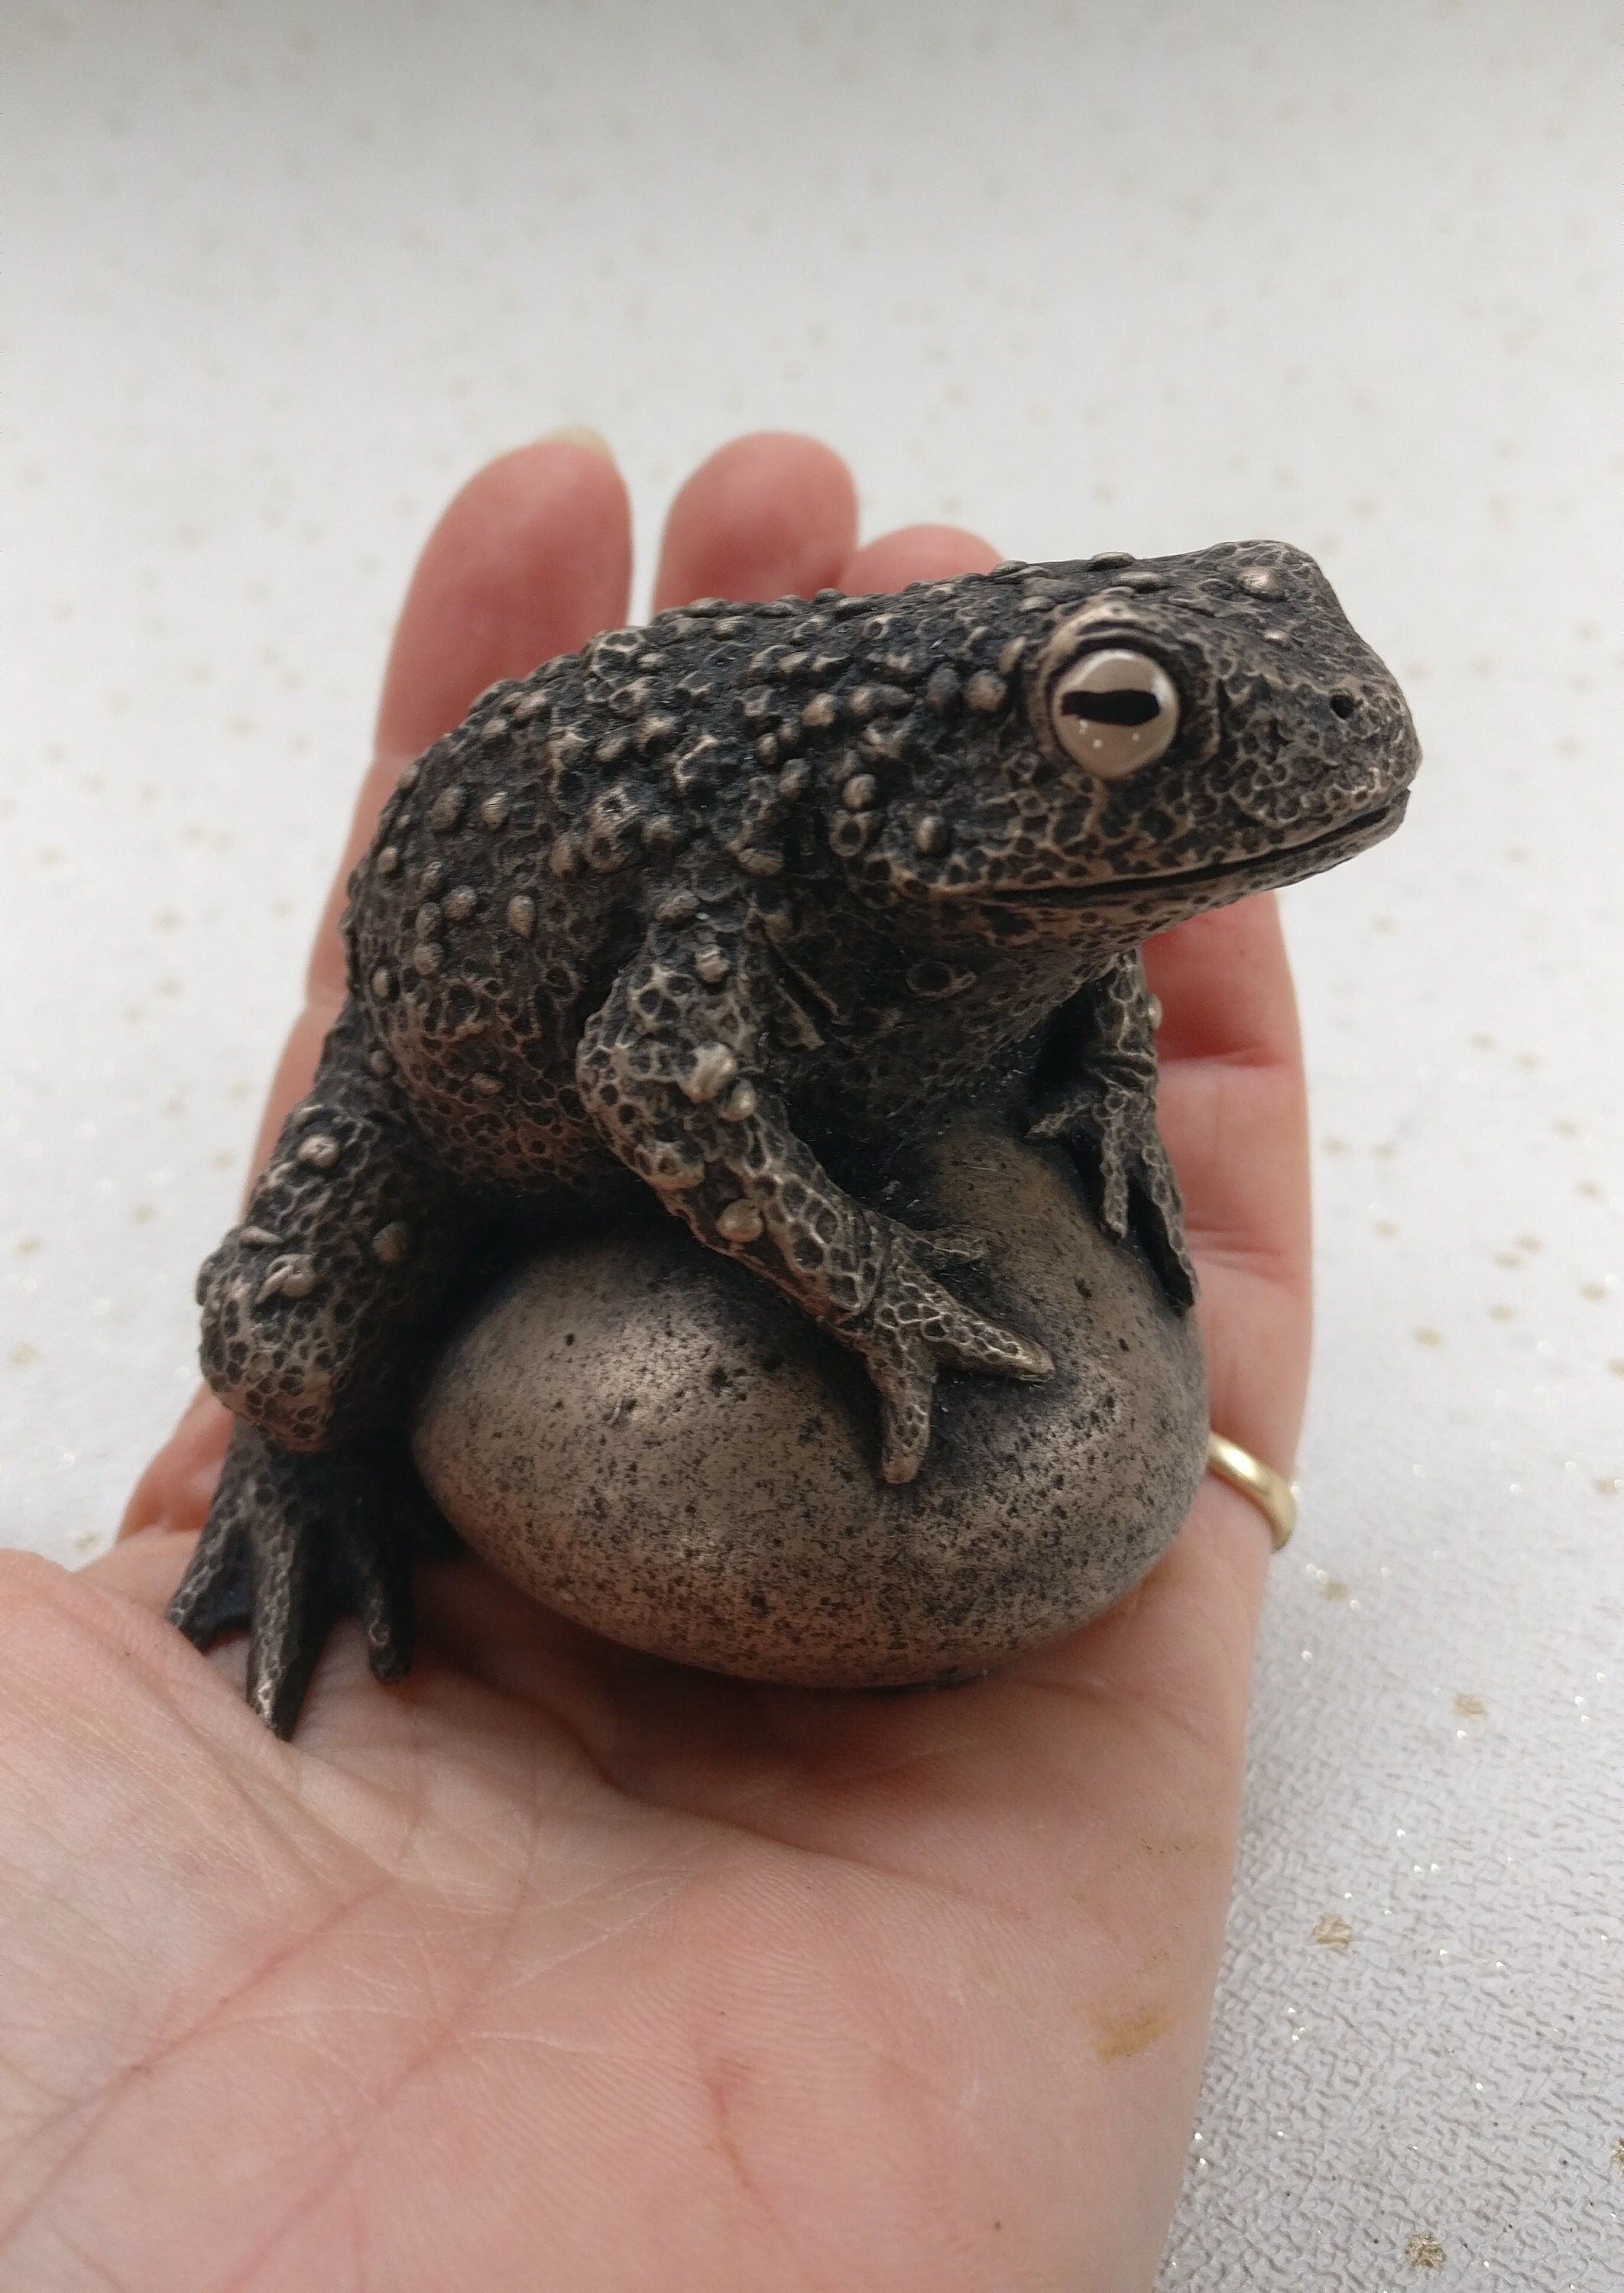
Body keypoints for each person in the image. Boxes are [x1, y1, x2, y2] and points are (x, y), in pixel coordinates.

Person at [0, 432, 1310, 2291]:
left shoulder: (957, 851)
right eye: (1118, 708)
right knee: (291, 1345)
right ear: (951, 755)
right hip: (472, 1111)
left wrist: (1105, 1083)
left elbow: (1074, 926)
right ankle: (306, 1475)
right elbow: (647, 1078)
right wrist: (857, 1276)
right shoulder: (791, 835)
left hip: (818, 1034)